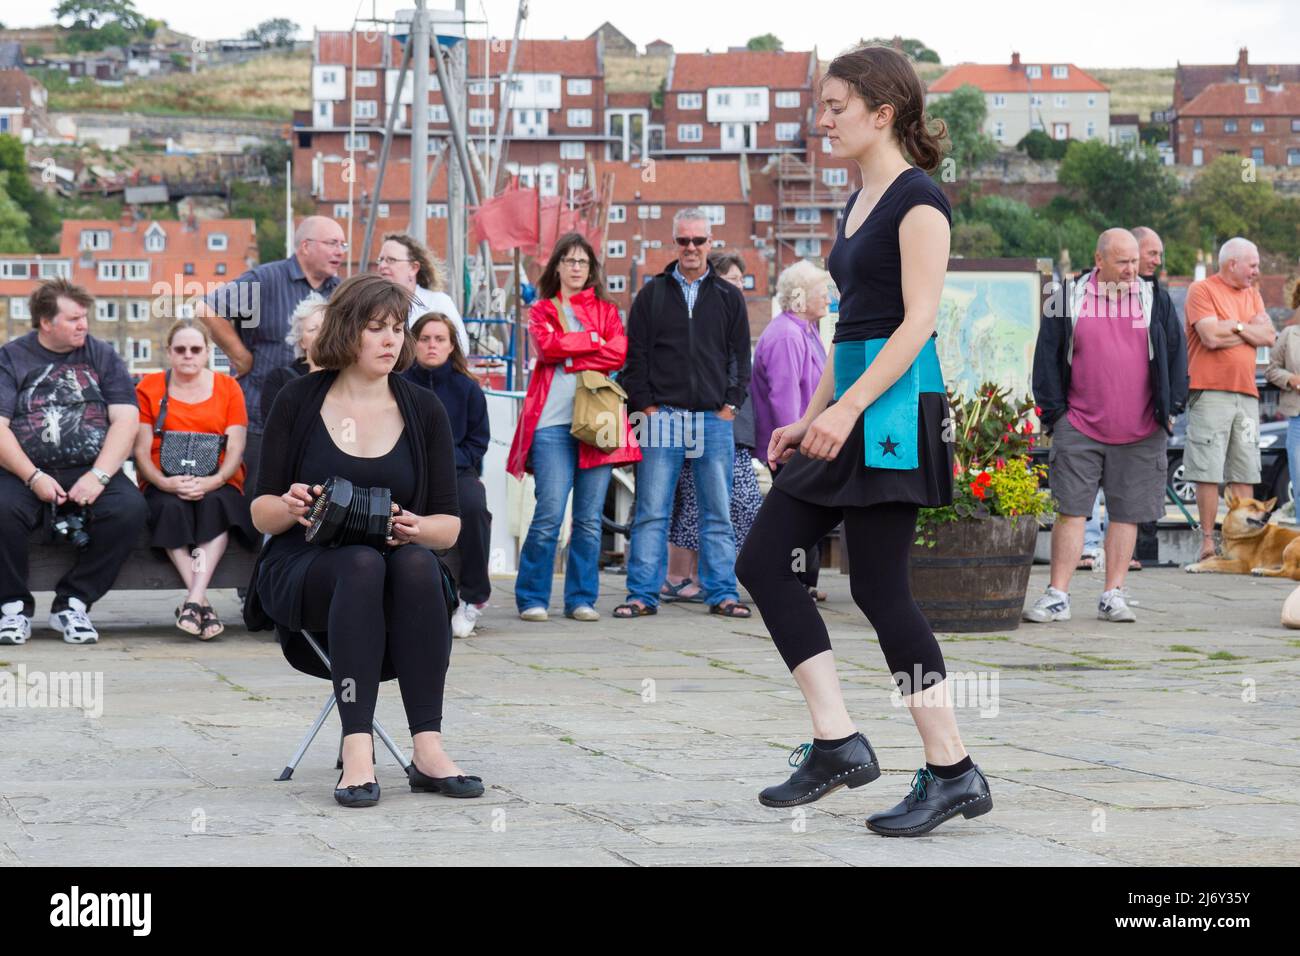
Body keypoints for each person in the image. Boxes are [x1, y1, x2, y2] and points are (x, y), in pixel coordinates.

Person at [734, 45, 991, 836]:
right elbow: (849, 329)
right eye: (823, 105)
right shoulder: (856, 201)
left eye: (837, 105)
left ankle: (951, 769)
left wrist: (846, 412)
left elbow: (916, 323)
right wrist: (815, 411)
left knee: (881, 592)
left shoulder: (921, 203)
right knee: (764, 564)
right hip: (848, 409)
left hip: (892, 416)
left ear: (884, 112)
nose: (824, 119)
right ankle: (837, 740)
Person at [246, 273, 480, 808]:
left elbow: (449, 525)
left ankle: (428, 747)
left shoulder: (424, 409)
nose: (391, 340)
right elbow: (261, 512)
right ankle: (357, 748)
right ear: (347, 331)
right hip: (306, 567)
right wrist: (290, 506)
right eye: (376, 328)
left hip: (395, 574)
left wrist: (416, 528)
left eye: (398, 328)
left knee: (417, 564)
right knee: (359, 563)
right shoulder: (297, 399)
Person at [1026, 228, 1186, 624]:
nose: (1134, 270)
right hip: (1078, 425)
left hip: (1142, 428)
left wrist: (1173, 407)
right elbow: (1045, 359)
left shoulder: (1155, 299)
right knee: (1071, 511)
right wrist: (1054, 417)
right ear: (1099, 261)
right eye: (1123, 262)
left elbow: (1176, 354)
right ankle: (1057, 595)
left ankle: (1113, 594)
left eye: (1135, 261)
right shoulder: (1067, 299)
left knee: (1127, 514)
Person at [617, 208, 752, 619]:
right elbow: (634, 359)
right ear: (673, 243)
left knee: (717, 512)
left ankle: (723, 593)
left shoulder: (729, 297)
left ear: (711, 243)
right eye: (683, 241)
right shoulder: (652, 295)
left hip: (712, 419)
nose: (691, 248)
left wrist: (730, 406)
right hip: (663, 417)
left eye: (698, 240)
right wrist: (647, 407)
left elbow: (739, 358)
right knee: (652, 511)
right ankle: (642, 594)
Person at [0, 279, 147, 645]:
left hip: (91, 467)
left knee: (129, 509)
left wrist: (98, 476)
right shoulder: (12, 358)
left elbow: (127, 419)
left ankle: (74, 602)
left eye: (85, 317)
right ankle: (12, 608)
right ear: (46, 323)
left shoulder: (102, 355)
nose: (84, 325)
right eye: (74, 318)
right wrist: (32, 476)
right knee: (1, 509)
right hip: (23, 470)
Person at [506, 233, 640, 622]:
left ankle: (581, 598)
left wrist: (573, 347)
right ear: (558, 267)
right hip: (550, 424)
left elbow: (617, 351)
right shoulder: (542, 308)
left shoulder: (607, 310)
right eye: (569, 261)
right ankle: (532, 597)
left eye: (582, 262)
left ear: (591, 268)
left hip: (597, 422)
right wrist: (591, 342)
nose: (576, 268)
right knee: (549, 513)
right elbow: (547, 348)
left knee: (588, 517)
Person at [197, 216, 344, 495]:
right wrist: (241, 357)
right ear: (305, 246)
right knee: (255, 499)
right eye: (332, 243)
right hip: (258, 416)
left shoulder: (339, 292)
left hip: (318, 418)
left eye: (342, 244)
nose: (340, 251)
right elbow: (209, 309)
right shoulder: (266, 279)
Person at [134, 320, 256, 640]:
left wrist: (215, 480)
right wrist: (162, 482)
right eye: (181, 349)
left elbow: (236, 445)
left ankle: (192, 600)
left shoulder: (229, 387)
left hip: (217, 478)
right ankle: (200, 602)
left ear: (207, 352)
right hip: (164, 477)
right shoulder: (149, 387)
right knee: (168, 508)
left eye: (195, 349)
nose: (188, 355)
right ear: (169, 353)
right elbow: (141, 449)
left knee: (218, 505)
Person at [662, 250, 764, 603]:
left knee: (730, 504)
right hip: (704, 424)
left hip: (729, 428)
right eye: (731, 279)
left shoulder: (731, 318)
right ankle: (679, 576)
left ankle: (705, 575)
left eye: (740, 279)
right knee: (694, 502)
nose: (739, 285)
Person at [1184, 237, 1276, 562]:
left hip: (1247, 393)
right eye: (1253, 265)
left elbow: (1269, 336)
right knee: (1207, 469)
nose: (1257, 271)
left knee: (1245, 469)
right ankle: (1208, 541)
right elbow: (1209, 336)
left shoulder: (1253, 294)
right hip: (1210, 390)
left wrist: (1233, 328)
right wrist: (1244, 327)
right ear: (1232, 263)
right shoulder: (1202, 290)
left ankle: (1241, 544)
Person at [403, 312, 492, 638]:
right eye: (425, 339)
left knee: (473, 506)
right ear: (413, 343)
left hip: (457, 472)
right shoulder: (398, 386)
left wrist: (443, 462)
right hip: (409, 471)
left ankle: (473, 597)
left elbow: (477, 443)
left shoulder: (467, 389)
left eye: (439, 339)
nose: (431, 345)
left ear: (451, 344)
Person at [750, 258, 833, 600]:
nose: (828, 297)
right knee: (798, 516)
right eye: (821, 291)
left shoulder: (806, 330)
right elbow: (784, 400)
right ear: (799, 297)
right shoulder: (786, 335)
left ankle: (805, 583)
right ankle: (795, 584)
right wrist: (797, 445)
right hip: (793, 445)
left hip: (807, 442)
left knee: (805, 514)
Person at [374, 232, 469, 355]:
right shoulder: (373, 304)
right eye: (380, 260)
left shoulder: (439, 302)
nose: (382, 265)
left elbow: (462, 348)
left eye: (391, 260)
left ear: (414, 268)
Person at [261, 294, 327, 426]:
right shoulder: (279, 379)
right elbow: (276, 431)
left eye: (326, 327)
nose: (321, 334)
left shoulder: (346, 375)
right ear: (301, 341)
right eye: (313, 329)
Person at [1265, 281, 1300, 510]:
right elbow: (1270, 370)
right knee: (1298, 481)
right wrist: (1291, 379)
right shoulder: (1289, 335)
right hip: (1297, 419)